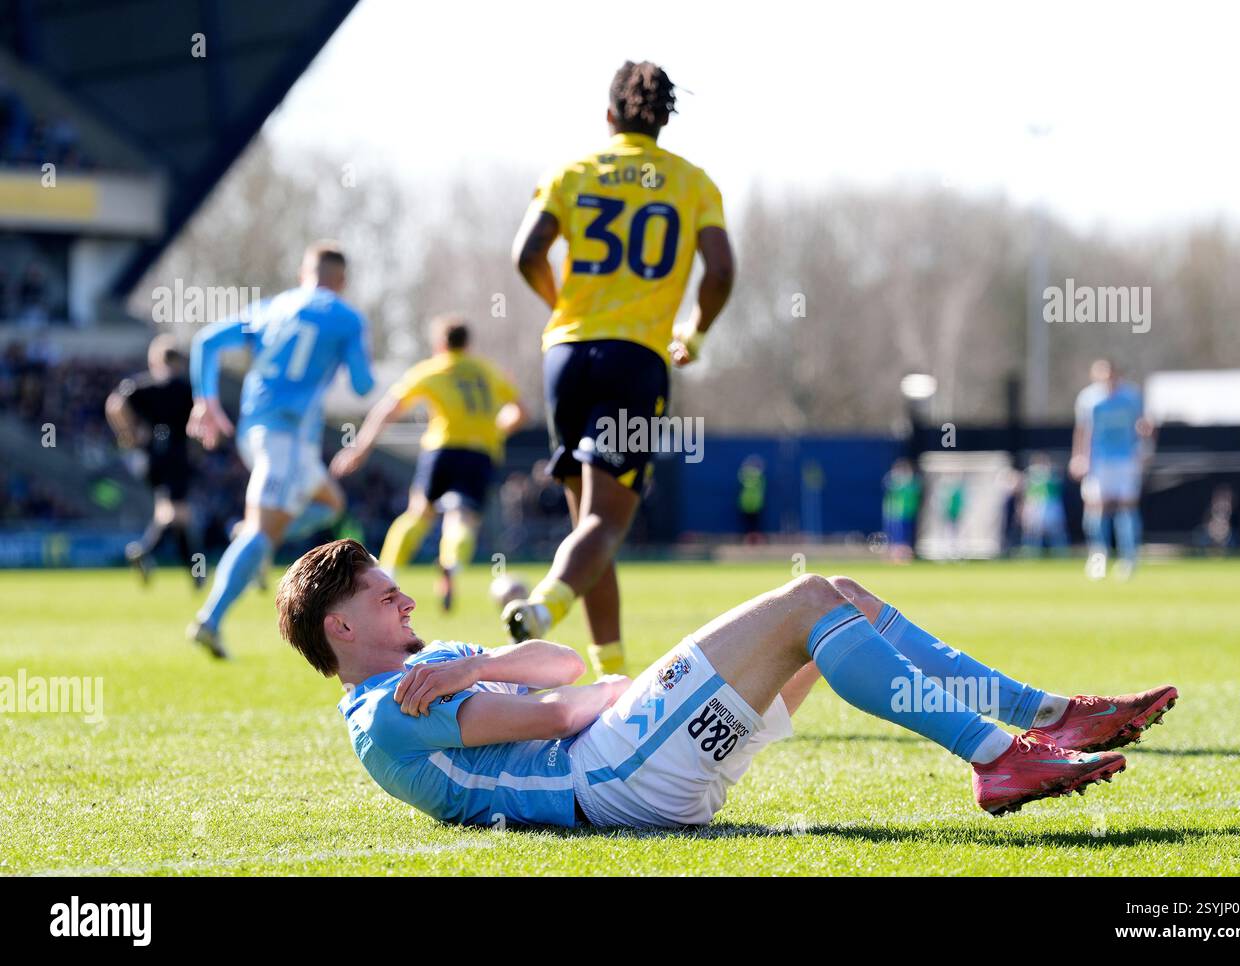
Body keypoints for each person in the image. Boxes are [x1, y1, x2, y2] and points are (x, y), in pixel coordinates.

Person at [276, 538, 1178, 828]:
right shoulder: (388, 712)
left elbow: (558, 665)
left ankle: (1051, 721)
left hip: (633, 762)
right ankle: (1002, 753)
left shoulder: (433, 670)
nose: (405, 604)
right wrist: (617, 688)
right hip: (610, 774)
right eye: (386, 598)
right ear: (340, 628)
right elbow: (568, 703)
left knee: (839, 606)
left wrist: (478, 661)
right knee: (806, 600)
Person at [506, 60, 735, 674]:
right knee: (607, 521)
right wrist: (697, 332)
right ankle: (545, 609)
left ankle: (610, 671)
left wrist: (562, 306)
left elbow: (527, 252)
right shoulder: (691, 182)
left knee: (587, 523)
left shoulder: (574, 171)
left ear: (609, 116)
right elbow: (719, 271)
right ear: (664, 121)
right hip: (634, 360)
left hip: (566, 357)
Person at [184, 240, 375, 657]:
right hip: (285, 436)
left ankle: (254, 544)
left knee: (330, 502)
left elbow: (206, 342)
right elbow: (362, 385)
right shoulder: (347, 319)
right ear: (341, 281)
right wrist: (351, 357)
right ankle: (210, 620)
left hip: (260, 430)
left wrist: (206, 401)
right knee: (262, 529)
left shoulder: (273, 306)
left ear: (304, 274)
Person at [330, 314, 525, 611]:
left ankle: (386, 574)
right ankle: (451, 565)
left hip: (442, 450)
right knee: (462, 519)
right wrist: (495, 430)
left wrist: (360, 448)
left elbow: (389, 408)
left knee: (418, 513)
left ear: (439, 344)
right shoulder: (488, 371)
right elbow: (520, 411)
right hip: (479, 454)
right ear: (467, 343)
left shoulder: (432, 370)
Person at [105, 334, 199, 585]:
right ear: (177, 360)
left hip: (150, 456)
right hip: (175, 455)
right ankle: (146, 550)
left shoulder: (140, 385)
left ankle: (192, 571)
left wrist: (129, 434)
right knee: (176, 513)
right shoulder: (184, 387)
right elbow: (198, 417)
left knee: (171, 512)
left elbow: (114, 404)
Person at [1070, 359, 1152, 580]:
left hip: (1125, 459)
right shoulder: (1088, 399)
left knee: (1126, 507)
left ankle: (1129, 558)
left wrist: (1146, 448)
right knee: (1096, 508)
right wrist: (1079, 457)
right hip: (1099, 461)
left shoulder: (1131, 397)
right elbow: (1082, 430)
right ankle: (1098, 558)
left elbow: (1145, 425)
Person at [1019, 453, 1068, 555]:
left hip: (1050, 509)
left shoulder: (1052, 476)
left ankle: (1061, 553)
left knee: (1055, 533)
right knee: (1032, 533)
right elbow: (1026, 495)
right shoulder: (1029, 477)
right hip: (1034, 507)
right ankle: (1030, 553)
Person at [882, 458, 921, 561]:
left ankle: (904, 556)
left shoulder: (912, 483)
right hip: (895, 514)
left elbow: (916, 489)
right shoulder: (894, 481)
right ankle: (896, 556)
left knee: (905, 536)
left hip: (908, 514)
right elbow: (888, 485)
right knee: (895, 536)